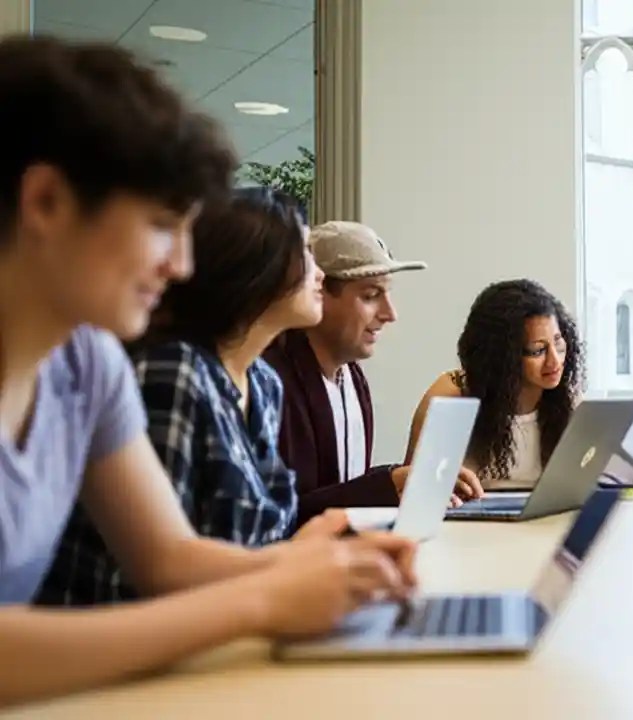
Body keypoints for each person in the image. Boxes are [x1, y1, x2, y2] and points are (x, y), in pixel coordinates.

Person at [0, 36, 414, 707]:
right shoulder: (151, 370)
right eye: (163, 225)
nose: (181, 265)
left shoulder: (89, 365)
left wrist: (323, 567)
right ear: (47, 202)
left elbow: (167, 557)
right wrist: (263, 597)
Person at [39, 186, 328, 605]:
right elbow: (147, 578)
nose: (320, 273)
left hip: (229, 620)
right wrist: (297, 566)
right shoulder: (173, 373)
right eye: (306, 252)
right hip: (140, 642)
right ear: (256, 268)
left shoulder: (264, 383)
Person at [264, 221, 480, 524]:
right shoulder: (272, 382)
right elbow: (280, 518)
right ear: (319, 291)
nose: (389, 314)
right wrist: (386, 486)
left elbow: (346, 484)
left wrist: (403, 479)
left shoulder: (352, 376)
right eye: (370, 295)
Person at [407, 279, 583, 502]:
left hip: (543, 524)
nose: (554, 361)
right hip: (467, 529)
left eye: (558, 343)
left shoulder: (568, 400)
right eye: (537, 351)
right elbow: (413, 490)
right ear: (502, 357)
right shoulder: (453, 394)